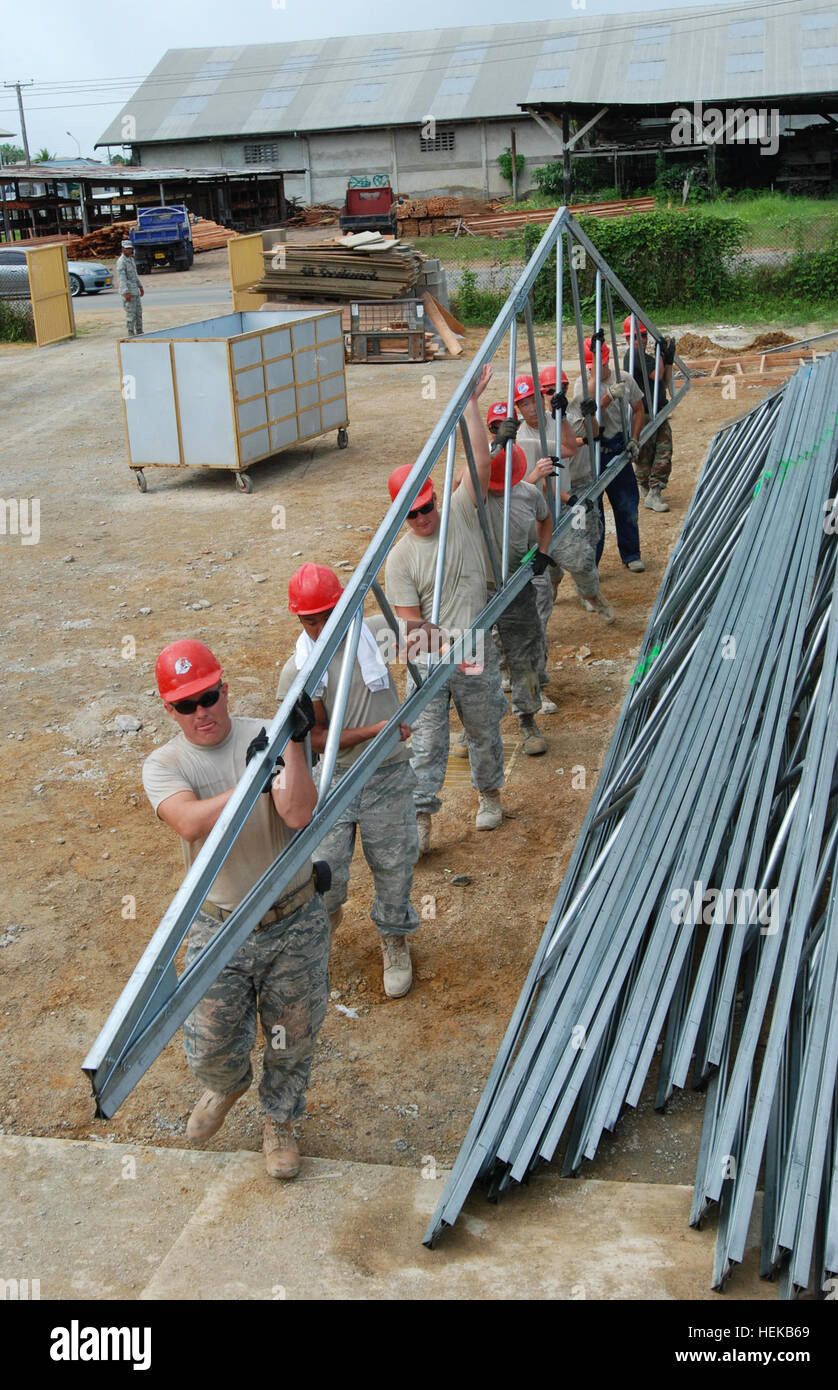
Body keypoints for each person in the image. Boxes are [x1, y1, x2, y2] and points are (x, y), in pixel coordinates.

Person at [142, 639, 329, 1180]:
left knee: (291, 1036)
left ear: (225, 689)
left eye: (208, 697)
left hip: (291, 919)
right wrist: (251, 781)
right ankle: (227, 1083)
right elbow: (191, 822)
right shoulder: (165, 764)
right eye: (186, 705)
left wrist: (292, 743)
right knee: (208, 1043)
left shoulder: (265, 736)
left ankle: (280, 1122)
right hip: (219, 925)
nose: (202, 712)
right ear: (168, 709)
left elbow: (297, 813)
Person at [277, 563, 420, 1000]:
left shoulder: (375, 632)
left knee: (393, 865)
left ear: (344, 606)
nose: (321, 628)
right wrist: (373, 731)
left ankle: (394, 938)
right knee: (325, 873)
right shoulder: (297, 674)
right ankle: (319, 942)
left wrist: (433, 633)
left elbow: (433, 639)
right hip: (335, 780)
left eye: (328, 615)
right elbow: (316, 738)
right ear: (299, 620)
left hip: (388, 773)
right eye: (310, 620)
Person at [385, 363, 507, 854]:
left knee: (482, 726)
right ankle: (422, 819)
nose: (422, 518)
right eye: (411, 513)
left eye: (426, 506)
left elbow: (480, 460)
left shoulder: (458, 511)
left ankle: (490, 794)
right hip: (430, 660)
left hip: (475, 643)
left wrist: (471, 405)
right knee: (429, 743)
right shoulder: (399, 559)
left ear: (436, 497)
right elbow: (408, 625)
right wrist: (432, 639)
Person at [513, 372, 615, 622]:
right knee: (544, 559)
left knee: (581, 558)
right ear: (518, 407)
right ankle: (555, 581)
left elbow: (570, 448)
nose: (531, 408)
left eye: (533, 399)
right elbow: (523, 484)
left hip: (566, 503)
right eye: (523, 403)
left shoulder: (556, 420)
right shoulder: (518, 436)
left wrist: (562, 419)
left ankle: (591, 594)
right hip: (536, 510)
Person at [483, 435, 553, 756]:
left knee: (524, 650)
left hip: (516, 585)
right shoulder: (476, 498)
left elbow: (546, 518)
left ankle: (527, 719)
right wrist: (493, 449)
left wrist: (542, 551)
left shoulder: (527, 494)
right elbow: (459, 480)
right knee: (476, 659)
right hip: (480, 589)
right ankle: (475, 729)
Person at [569, 337, 646, 573]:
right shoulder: (582, 386)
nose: (598, 369)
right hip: (594, 453)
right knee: (594, 514)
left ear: (608, 359)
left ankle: (631, 554)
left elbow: (639, 409)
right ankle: (592, 565)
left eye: (601, 364)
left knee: (627, 506)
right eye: (593, 366)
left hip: (618, 448)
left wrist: (635, 438)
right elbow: (584, 423)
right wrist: (608, 397)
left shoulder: (625, 378)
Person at [623, 315, 675, 512]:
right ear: (628, 340)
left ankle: (652, 491)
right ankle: (648, 489)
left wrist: (667, 359)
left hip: (657, 411)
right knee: (648, 455)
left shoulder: (646, 356)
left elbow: (665, 379)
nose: (641, 340)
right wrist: (661, 354)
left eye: (644, 335)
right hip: (644, 414)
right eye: (636, 337)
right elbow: (657, 375)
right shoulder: (634, 355)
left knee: (663, 450)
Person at [115, 239, 144, 336]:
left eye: (130, 249)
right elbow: (122, 279)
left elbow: (134, 275)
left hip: (135, 290)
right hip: (129, 292)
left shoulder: (131, 260)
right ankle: (131, 333)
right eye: (127, 249)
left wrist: (140, 286)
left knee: (138, 313)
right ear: (123, 249)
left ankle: (140, 331)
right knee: (131, 314)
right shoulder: (121, 262)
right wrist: (126, 292)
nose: (129, 251)